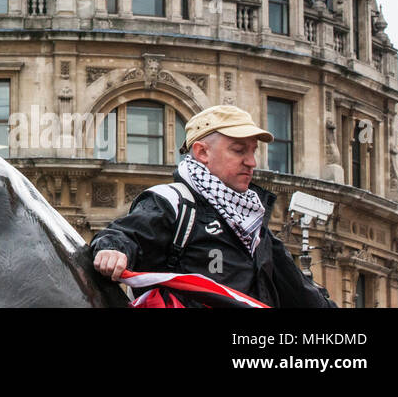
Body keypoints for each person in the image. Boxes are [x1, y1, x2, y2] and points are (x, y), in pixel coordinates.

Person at [90, 105, 334, 307]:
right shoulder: (172, 202)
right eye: (239, 151)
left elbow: (300, 292)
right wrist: (112, 250)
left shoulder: (255, 227)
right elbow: (123, 235)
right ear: (202, 152)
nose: (251, 162)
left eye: (252, 151)